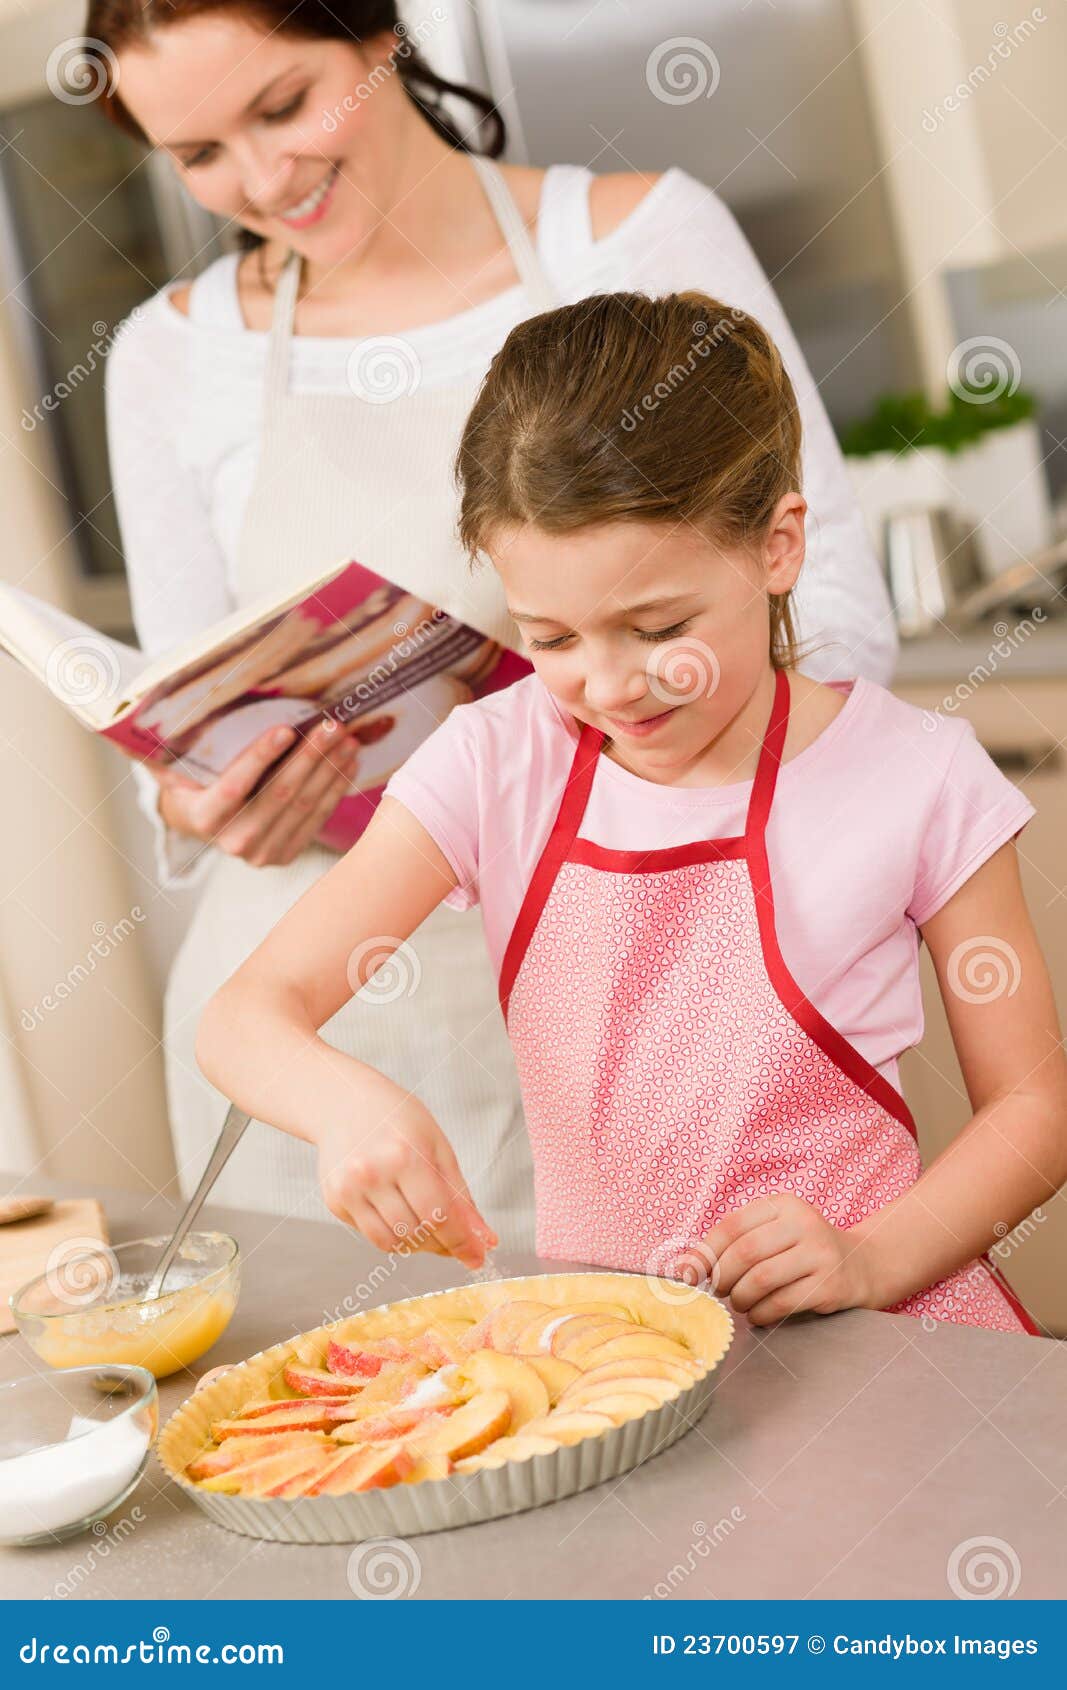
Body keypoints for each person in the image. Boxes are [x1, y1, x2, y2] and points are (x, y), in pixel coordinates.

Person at [99, 0, 898, 1243]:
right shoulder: (168, 353)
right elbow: (185, 688)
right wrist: (201, 801)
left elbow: (833, 614)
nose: (260, 180)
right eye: (198, 154)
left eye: (284, 106)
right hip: (325, 1061)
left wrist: (616, 743)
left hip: (631, 980)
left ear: (377, 39)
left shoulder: (633, 239)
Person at [196, 290, 1067, 1331]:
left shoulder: (917, 776)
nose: (608, 687)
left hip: (884, 1339)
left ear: (778, 545)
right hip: (622, 1354)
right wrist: (347, 1105)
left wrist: (872, 1258)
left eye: (656, 628)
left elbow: (1033, 1107)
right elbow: (245, 1016)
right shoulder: (494, 762)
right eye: (552, 639)